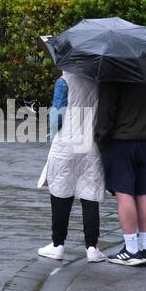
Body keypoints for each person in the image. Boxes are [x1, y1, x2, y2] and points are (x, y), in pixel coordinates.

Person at [38, 71, 107, 263]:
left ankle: (57, 245)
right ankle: (92, 248)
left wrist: (51, 135)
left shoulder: (64, 81)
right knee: (89, 195)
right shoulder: (98, 80)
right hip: (90, 146)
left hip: (65, 145)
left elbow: (56, 117)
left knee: (60, 192)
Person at [95, 74, 146, 266]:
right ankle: (145, 248)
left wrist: (101, 140)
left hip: (121, 140)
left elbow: (106, 112)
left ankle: (131, 248)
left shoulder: (113, 71)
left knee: (123, 192)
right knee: (143, 193)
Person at [48, 73, 69, 140]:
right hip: (91, 138)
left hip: (66, 137)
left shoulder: (63, 82)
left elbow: (57, 116)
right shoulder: (94, 82)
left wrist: (52, 134)